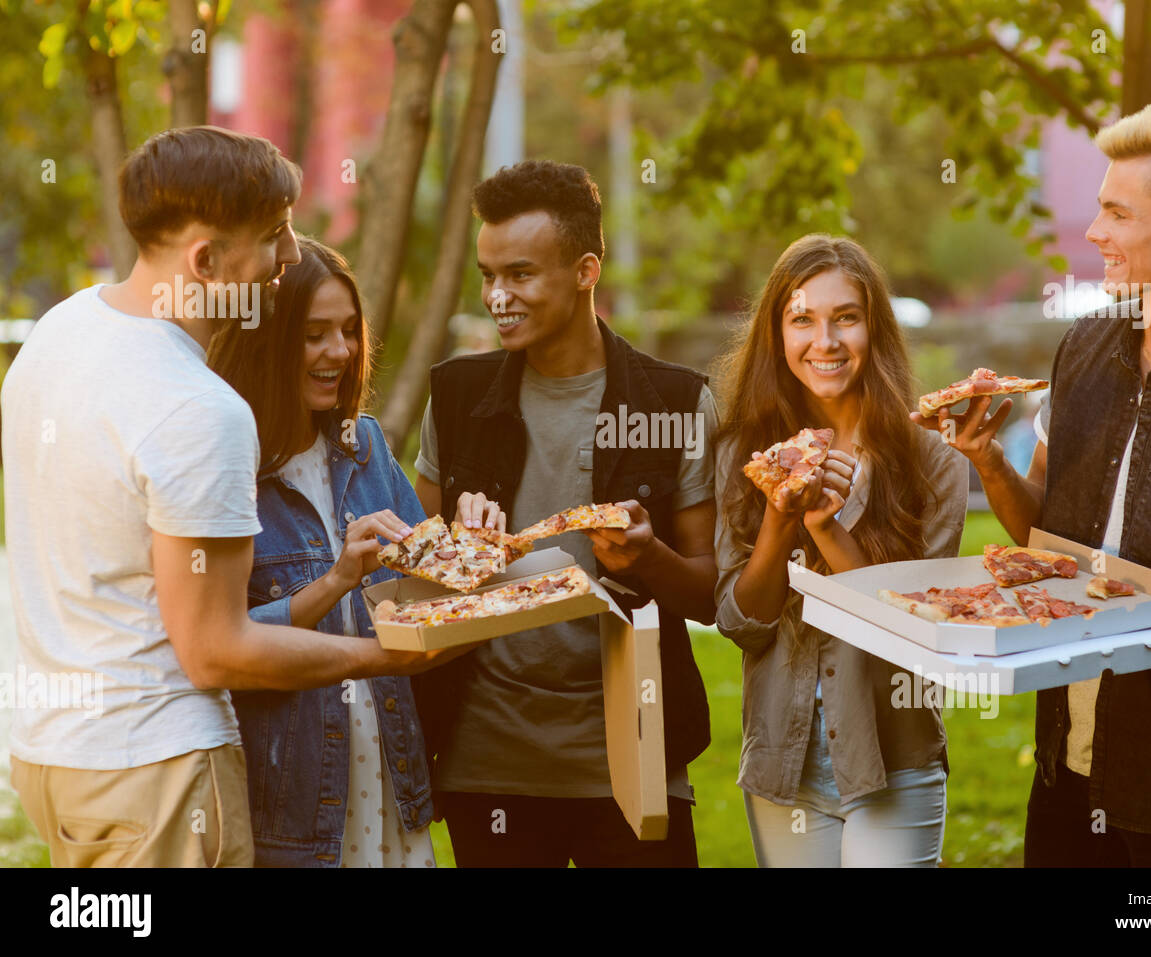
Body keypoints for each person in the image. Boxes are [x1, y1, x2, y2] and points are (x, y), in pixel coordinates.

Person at [2, 127, 439, 868]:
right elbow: (214, 649)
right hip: (160, 768)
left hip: (54, 753)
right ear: (205, 260)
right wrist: (385, 654)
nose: (293, 255)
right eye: (274, 234)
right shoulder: (200, 409)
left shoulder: (60, 332)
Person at [913, 104, 1151, 866]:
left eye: (1116, 212)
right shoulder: (1083, 349)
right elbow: (1044, 543)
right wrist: (987, 460)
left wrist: (1113, 630)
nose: (1093, 231)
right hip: (1067, 757)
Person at [410, 159, 717, 867]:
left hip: (637, 751)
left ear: (585, 271)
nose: (497, 297)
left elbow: (709, 594)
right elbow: (416, 586)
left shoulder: (674, 404)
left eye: (519, 274)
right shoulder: (455, 400)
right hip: (488, 762)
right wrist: (462, 555)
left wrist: (649, 558)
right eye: (488, 276)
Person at [714, 234, 968, 867]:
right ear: (777, 335)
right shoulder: (743, 456)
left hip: (893, 762)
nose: (823, 342)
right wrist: (779, 517)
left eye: (845, 318)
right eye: (802, 319)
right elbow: (742, 623)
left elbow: (914, 636)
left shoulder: (932, 461)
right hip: (782, 765)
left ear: (873, 329)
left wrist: (828, 530)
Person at [207, 237, 442, 867]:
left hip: (391, 774)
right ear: (269, 341)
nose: (339, 352)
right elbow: (218, 643)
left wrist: (466, 542)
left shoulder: (362, 443)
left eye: (348, 330)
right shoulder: (230, 465)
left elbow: (430, 592)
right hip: (293, 793)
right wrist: (338, 579)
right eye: (314, 334)